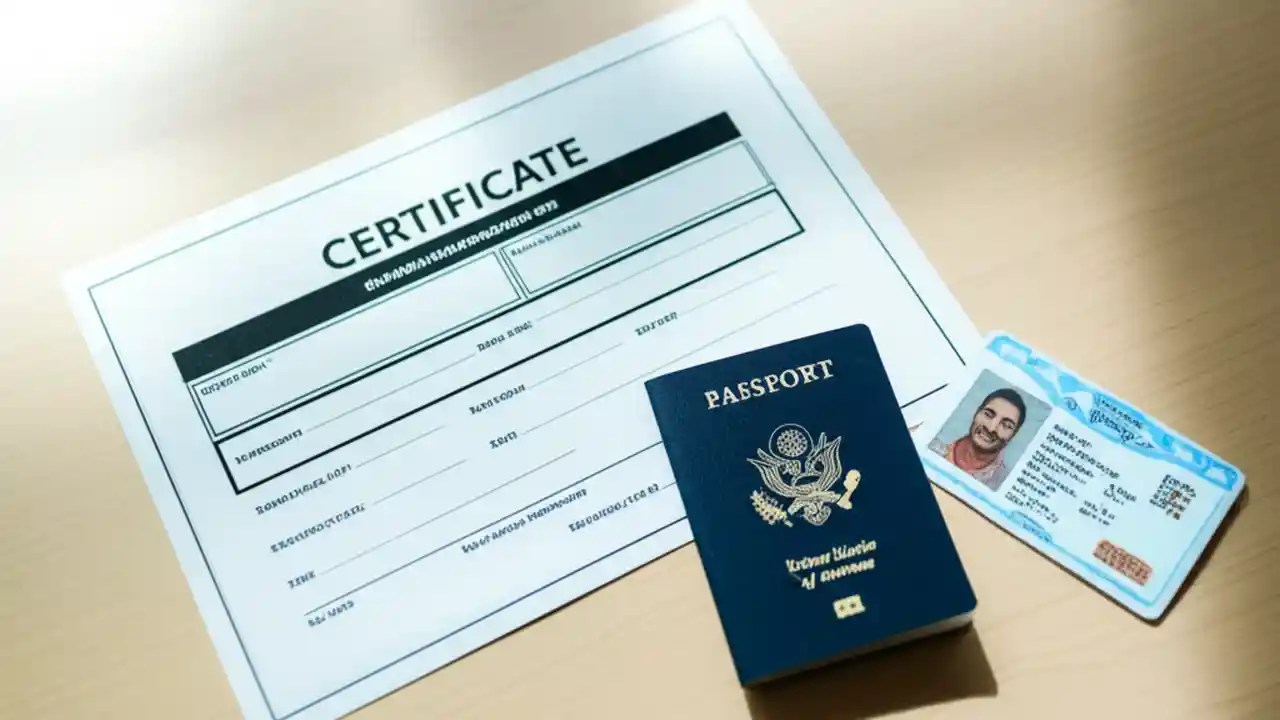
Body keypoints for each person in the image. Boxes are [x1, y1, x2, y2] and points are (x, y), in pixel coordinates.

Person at [929, 387, 1027, 491]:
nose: (991, 428)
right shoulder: (933, 442)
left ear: (1013, 435)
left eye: (1006, 425)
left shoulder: (1003, 484)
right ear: (976, 413)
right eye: (988, 414)